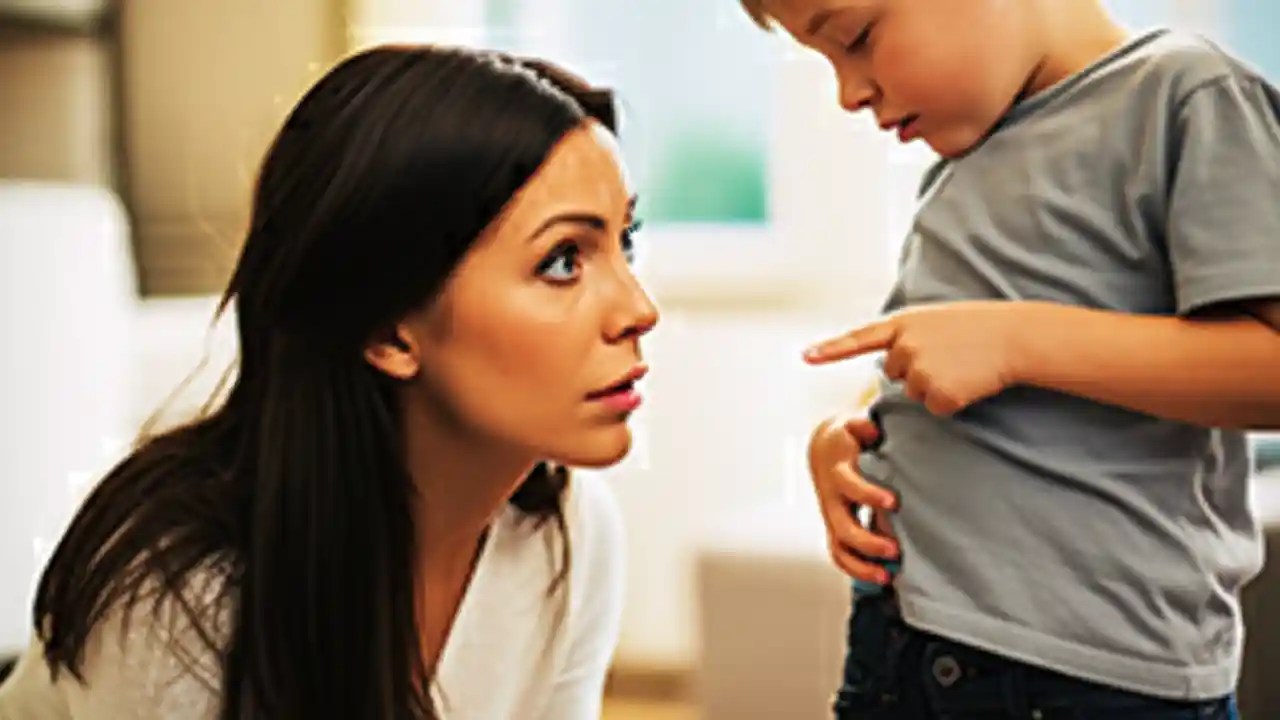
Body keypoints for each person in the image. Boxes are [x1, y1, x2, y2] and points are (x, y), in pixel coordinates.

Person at [0, 43, 658, 720]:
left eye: (624, 242)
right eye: (561, 261)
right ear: (389, 331)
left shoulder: (570, 537)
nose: (639, 308)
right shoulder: (180, 594)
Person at [737, 0, 1280, 717]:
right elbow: (955, 375)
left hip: (1095, 681)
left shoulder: (1188, 96)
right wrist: (851, 437)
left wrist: (1017, 342)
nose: (849, 92)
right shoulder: (963, 159)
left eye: (855, 38)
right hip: (899, 643)